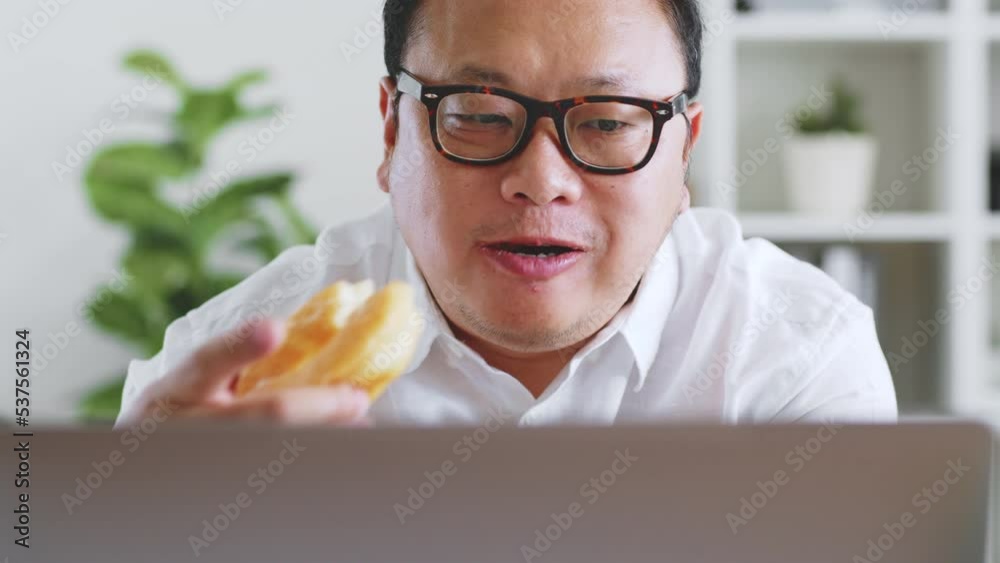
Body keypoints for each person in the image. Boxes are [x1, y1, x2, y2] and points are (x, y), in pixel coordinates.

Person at [114, 0, 896, 429]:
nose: (541, 183)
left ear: (682, 152)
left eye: (608, 121)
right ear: (391, 132)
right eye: (480, 116)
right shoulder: (228, 378)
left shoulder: (794, 360)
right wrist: (146, 516)